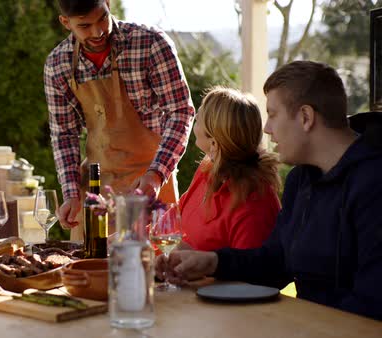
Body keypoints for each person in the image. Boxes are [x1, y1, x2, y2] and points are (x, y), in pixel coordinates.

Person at [159, 61, 382, 320]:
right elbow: (276, 261)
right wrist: (212, 262)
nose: (266, 129)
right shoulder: (301, 180)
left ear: (306, 117)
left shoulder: (373, 185)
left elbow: (371, 305)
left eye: (273, 114)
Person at [44, 0, 195, 238]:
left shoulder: (150, 43)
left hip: (150, 184)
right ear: (66, 23)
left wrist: (156, 176)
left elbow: (180, 112)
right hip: (96, 188)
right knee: (90, 268)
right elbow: (64, 134)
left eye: (102, 18)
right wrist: (71, 193)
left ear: (108, 3)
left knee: (152, 266)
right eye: (84, 26)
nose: (98, 32)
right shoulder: (58, 65)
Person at [159, 87, 280, 252]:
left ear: (214, 143)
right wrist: (133, 239)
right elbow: (174, 219)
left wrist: (197, 261)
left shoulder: (252, 203)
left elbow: (250, 272)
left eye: (198, 119)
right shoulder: (207, 170)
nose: (194, 118)